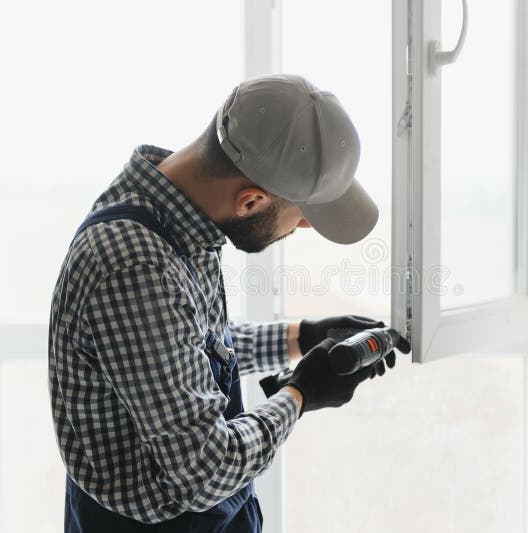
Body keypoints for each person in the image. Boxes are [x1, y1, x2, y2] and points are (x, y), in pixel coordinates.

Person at [49, 74, 394, 532]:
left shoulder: (175, 218)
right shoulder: (134, 264)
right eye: (304, 215)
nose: (304, 228)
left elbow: (187, 351)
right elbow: (204, 469)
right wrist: (302, 393)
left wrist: (303, 337)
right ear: (250, 201)